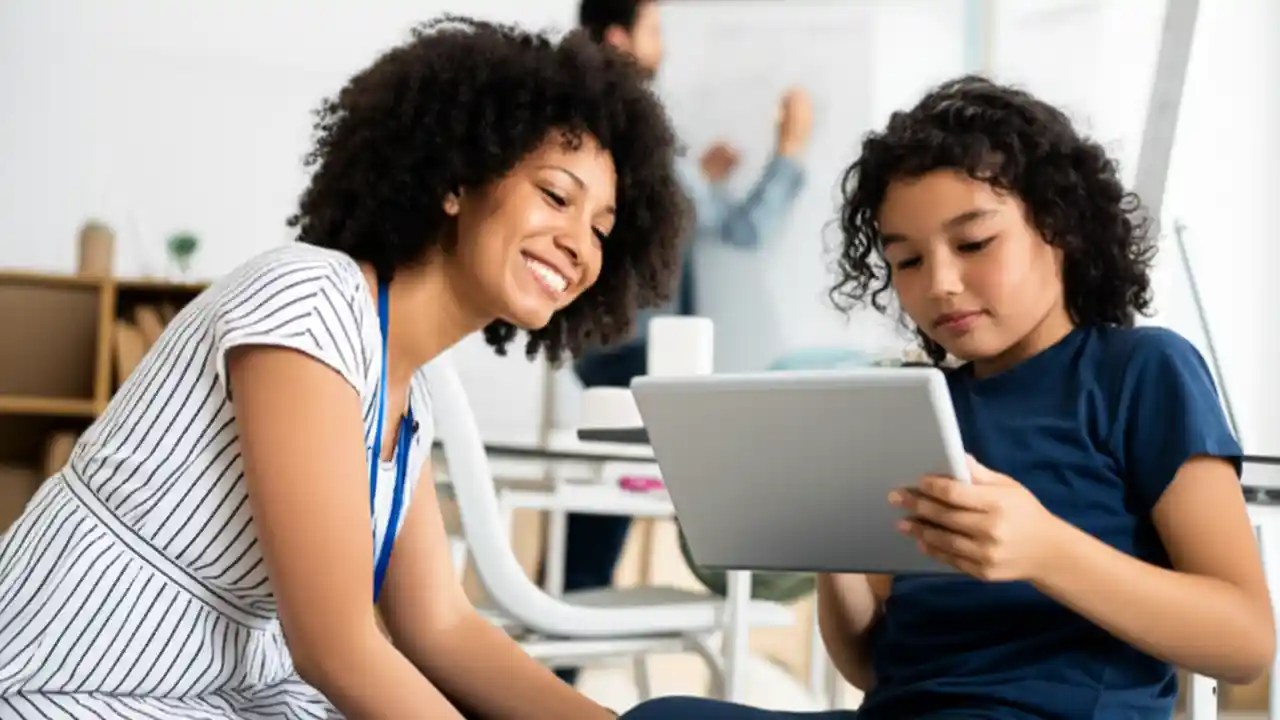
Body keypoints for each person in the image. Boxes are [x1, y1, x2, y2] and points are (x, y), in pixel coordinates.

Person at [0, 16, 688, 719]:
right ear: (458, 181)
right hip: (72, 680)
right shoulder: (309, 300)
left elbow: (440, 628)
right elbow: (335, 648)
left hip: (220, 691)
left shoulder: (406, 394)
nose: (578, 242)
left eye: (601, 228)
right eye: (556, 196)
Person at [621, 76, 1274, 719]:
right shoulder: (917, 411)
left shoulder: (1142, 372)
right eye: (906, 261)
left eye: (974, 243)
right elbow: (876, 667)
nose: (941, 284)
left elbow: (1245, 642)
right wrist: (831, 551)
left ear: (1062, 226)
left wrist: (1046, 549)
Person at [556, 0, 814, 684]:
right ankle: (543, 683)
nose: (662, 44)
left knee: (591, 540)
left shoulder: (596, 128)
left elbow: (675, 212)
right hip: (635, 357)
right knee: (595, 546)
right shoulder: (637, 131)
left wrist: (703, 180)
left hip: (609, 351)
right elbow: (749, 229)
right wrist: (790, 150)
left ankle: (544, 674)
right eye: (655, 28)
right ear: (618, 38)